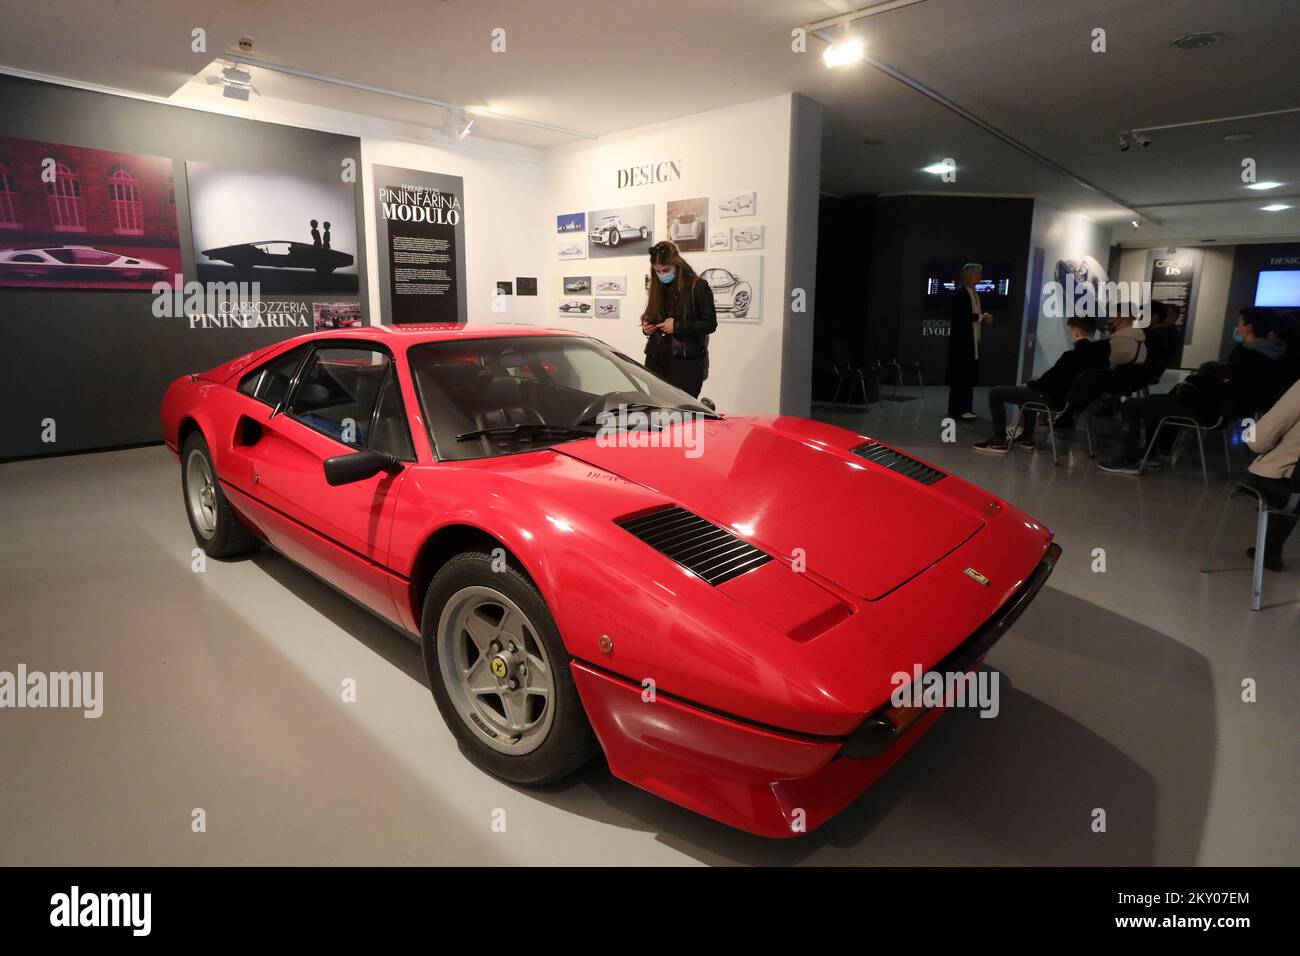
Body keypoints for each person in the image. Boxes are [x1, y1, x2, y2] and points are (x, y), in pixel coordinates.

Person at [1099, 308, 1288, 474]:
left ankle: (1130, 460)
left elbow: (1220, 392)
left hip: (1207, 411)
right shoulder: (1267, 355)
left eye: (1240, 322)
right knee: (1157, 400)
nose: (1237, 326)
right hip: (1214, 408)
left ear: (1249, 327)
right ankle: (1155, 451)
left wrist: (1190, 390)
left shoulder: (1249, 358)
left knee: (1132, 405)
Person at [974, 316, 1107, 454]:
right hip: (1076, 403)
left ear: (1076, 331)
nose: (1071, 334)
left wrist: (1032, 383)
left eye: (1071, 330)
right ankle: (1027, 438)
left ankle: (998, 441)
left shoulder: (1071, 356)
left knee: (996, 393)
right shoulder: (1101, 356)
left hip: (1054, 399)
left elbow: (1050, 381)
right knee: (1029, 391)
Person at [640, 240, 717, 398]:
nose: (661, 275)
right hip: (656, 357)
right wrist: (647, 326)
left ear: (676, 263)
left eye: (665, 270)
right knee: (656, 411)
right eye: (657, 271)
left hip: (686, 362)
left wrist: (678, 326)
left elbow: (710, 324)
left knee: (682, 414)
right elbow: (653, 315)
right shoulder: (656, 285)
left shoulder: (698, 286)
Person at [1243, 377, 1300, 571]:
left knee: (1281, 487)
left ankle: (1270, 550)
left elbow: (1259, 440)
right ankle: (1271, 549)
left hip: (1284, 482)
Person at [946, 262, 993, 420]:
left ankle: (966, 407)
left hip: (972, 342)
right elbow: (961, 316)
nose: (980, 276)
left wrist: (982, 318)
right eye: (977, 273)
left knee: (968, 375)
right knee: (961, 376)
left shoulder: (973, 293)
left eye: (980, 273)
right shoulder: (961, 293)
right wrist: (981, 317)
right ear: (968, 275)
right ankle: (959, 409)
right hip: (962, 344)